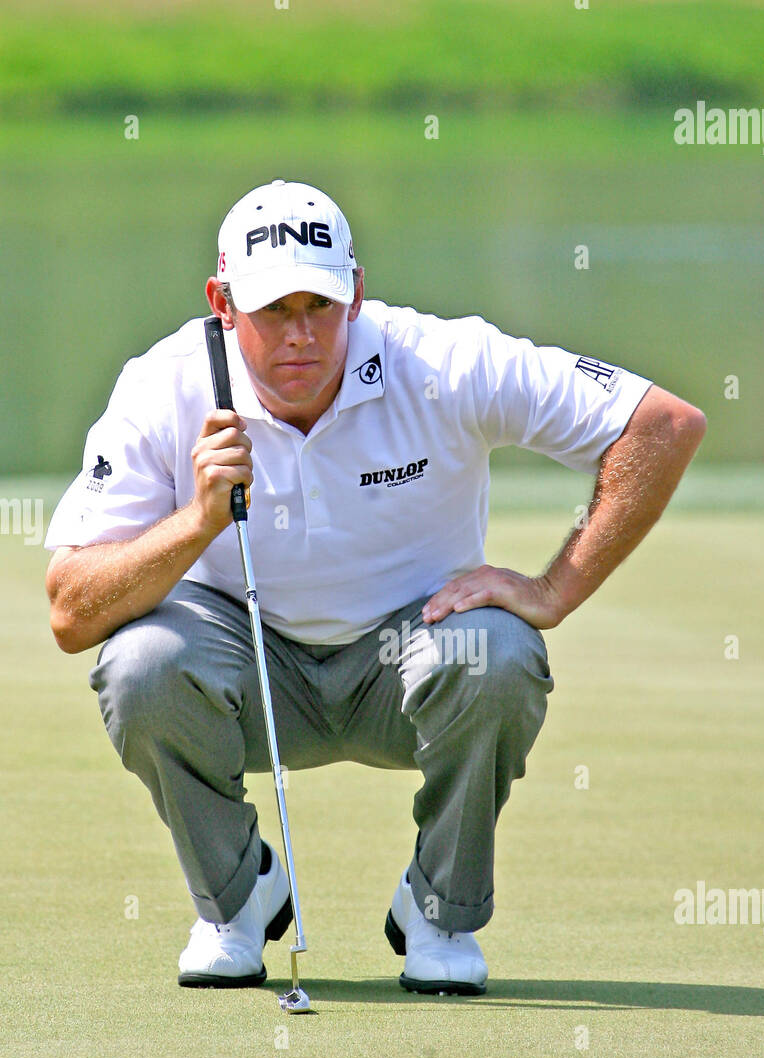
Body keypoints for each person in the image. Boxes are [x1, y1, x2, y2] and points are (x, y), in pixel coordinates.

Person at [44, 179, 706, 997]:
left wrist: (554, 588)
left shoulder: (442, 360)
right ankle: (237, 898)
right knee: (140, 663)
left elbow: (662, 425)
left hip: (409, 661)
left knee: (499, 650)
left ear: (355, 293)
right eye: (272, 310)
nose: (302, 336)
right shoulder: (162, 385)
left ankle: (440, 910)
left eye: (320, 305)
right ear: (222, 302)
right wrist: (197, 523)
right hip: (248, 668)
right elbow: (72, 611)